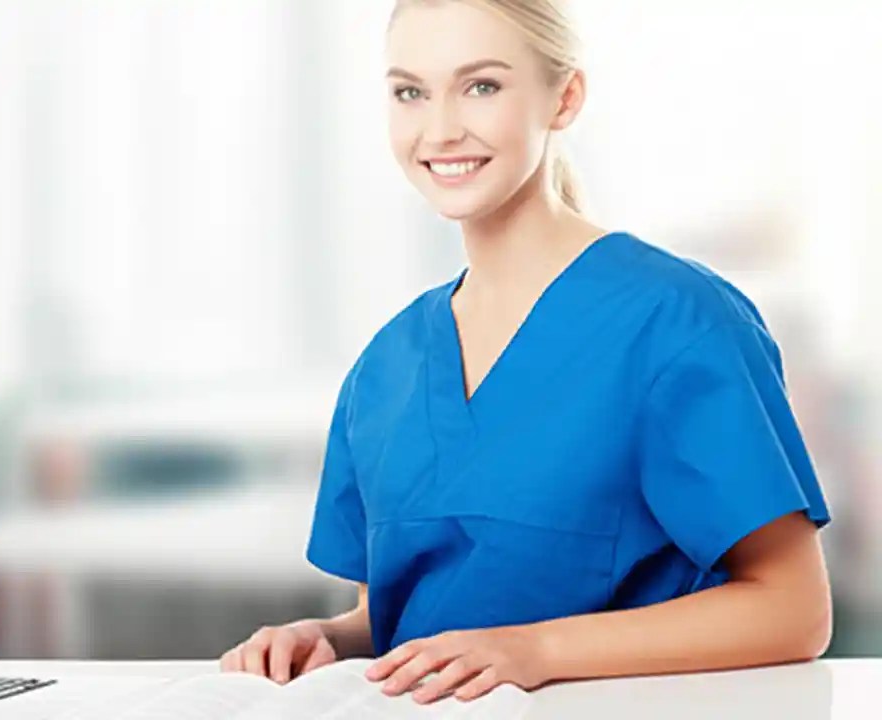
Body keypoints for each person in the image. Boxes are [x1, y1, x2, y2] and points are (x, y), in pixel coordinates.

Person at [218, 0, 832, 704]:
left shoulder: (678, 321)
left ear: (564, 98)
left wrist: (535, 649)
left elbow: (792, 610)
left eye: (482, 86)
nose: (441, 129)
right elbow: (395, 616)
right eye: (410, 92)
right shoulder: (386, 366)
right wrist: (330, 640)